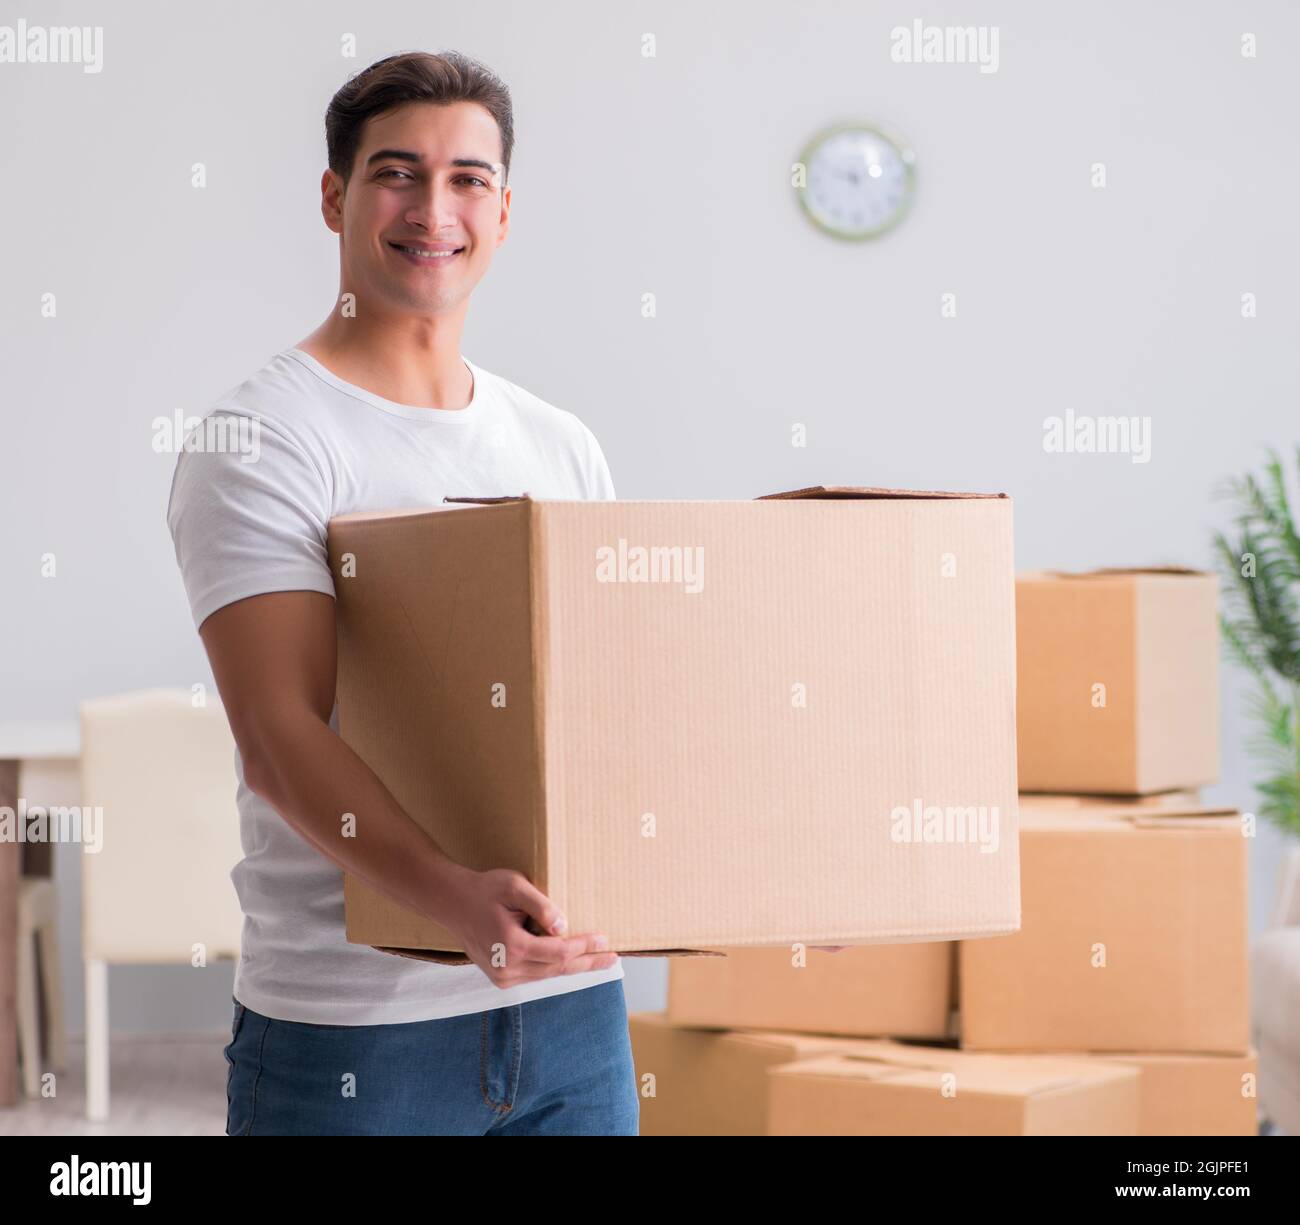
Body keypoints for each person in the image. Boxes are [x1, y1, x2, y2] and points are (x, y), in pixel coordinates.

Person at [166, 50, 634, 1136]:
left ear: (505, 211)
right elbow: (279, 736)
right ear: (334, 197)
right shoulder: (264, 437)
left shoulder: (560, 444)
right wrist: (453, 902)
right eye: (396, 173)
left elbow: (615, 711)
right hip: (356, 1028)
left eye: (468, 178)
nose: (435, 208)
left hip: (571, 1009)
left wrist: (770, 885)